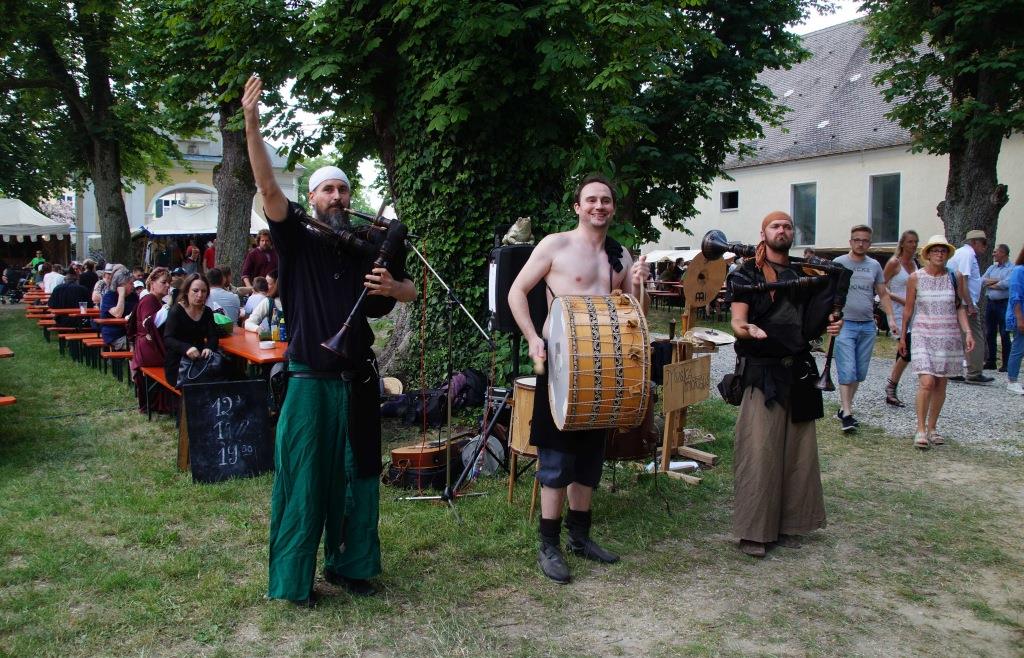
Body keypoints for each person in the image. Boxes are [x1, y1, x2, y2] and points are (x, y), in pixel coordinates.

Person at [244, 74, 417, 607]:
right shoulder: (295, 239)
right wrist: (252, 122)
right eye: (327, 189)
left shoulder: (367, 245)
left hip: (358, 379)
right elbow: (268, 189)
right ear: (313, 198)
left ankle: (351, 567)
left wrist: (394, 288)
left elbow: (412, 290)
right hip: (308, 380)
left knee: (359, 476)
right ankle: (294, 582)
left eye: (342, 188)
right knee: (303, 479)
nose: (337, 195)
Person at [507, 173, 648, 584]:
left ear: (613, 207)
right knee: (557, 457)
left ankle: (580, 537)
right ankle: (548, 544)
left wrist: (641, 285)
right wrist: (532, 337)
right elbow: (516, 291)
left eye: (605, 200)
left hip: (604, 367)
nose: (599, 206)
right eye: (591, 200)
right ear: (578, 207)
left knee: (589, 457)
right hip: (560, 362)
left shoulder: (619, 255)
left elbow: (634, 311)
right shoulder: (555, 245)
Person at [727, 211, 842, 557]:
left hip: (799, 371)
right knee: (759, 452)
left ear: (793, 234)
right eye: (776, 226)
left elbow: (810, 323)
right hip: (763, 372)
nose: (782, 230)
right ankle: (755, 531)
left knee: (798, 454)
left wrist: (830, 323)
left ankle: (791, 523)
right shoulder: (746, 272)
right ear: (763, 233)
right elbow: (737, 319)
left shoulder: (805, 274)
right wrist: (746, 329)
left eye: (787, 226)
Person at [899, 235, 974, 448]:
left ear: (947, 254)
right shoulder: (915, 277)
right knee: (927, 382)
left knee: (941, 383)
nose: (939, 254)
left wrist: (968, 332)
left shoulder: (954, 276)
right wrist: (902, 336)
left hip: (948, 335)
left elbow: (959, 307)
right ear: (928, 254)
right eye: (935, 250)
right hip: (923, 334)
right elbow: (908, 310)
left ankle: (932, 427)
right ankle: (920, 429)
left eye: (943, 251)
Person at [833, 225, 895, 432]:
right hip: (845, 323)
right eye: (857, 240)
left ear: (870, 243)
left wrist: (891, 318)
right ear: (850, 242)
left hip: (867, 324)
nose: (860, 244)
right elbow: (827, 292)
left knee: (859, 371)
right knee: (847, 369)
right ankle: (847, 415)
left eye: (865, 240)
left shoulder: (874, 265)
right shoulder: (839, 263)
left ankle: (844, 407)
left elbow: (883, 293)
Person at [948, 230, 992, 383]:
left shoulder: (959, 253)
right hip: (965, 304)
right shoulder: (968, 255)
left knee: (957, 336)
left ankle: (954, 370)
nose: (985, 247)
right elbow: (963, 281)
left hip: (956, 301)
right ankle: (974, 372)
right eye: (983, 243)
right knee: (975, 336)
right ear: (975, 242)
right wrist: (970, 304)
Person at [882, 230, 919, 406]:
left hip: (914, 311)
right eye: (910, 241)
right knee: (907, 348)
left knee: (905, 350)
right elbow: (880, 286)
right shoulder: (894, 263)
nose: (914, 245)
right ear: (902, 243)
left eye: (916, 241)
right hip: (897, 311)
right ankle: (891, 386)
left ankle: (892, 388)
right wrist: (900, 299)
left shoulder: (915, 263)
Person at [163, 273, 219, 388]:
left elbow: (213, 336)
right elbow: (168, 338)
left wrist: (209, 347)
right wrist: (186, 348)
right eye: (195, 290)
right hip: (178, 365)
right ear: (186, 291)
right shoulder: (176, 311)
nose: (200, 295)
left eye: (204, 291)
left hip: (200, 361)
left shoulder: (207, 312)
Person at [131, 267, 173, 414]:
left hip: (150, 346)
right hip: (149, 349)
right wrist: (169, 307)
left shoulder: (156, 300)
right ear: (152, 283)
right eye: (164, 282)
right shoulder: (149, 300)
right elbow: (149, 323)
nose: (167, 285)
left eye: (169, 282)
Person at [982, 244, 1013, 372]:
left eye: (996, 252)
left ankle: (1006, 363)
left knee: (1004, 333)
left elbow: (1006, 284)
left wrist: (991, 283)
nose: (993, 254)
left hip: (1004, 304)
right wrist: (997, 281)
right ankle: (991, 361)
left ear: (1003, 253)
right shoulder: (991, 267)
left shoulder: (1011, 269)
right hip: (991, 303)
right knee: (990, 332)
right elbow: (982, 280)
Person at [99, 268, 139, 350]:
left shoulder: (133, 296)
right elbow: (118, 314)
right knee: (139, 346)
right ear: (121, 285)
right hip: (115, 335)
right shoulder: (109, 296)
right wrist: (121, 294)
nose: (133, 286)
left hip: (132, 333)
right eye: (130, 283)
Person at [1005, 246, 1024, 395]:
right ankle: (1012, 380)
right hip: (1021, 315)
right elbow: (1015, 297)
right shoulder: (1019, 271)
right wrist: (1019, 319)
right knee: (1018, 347)